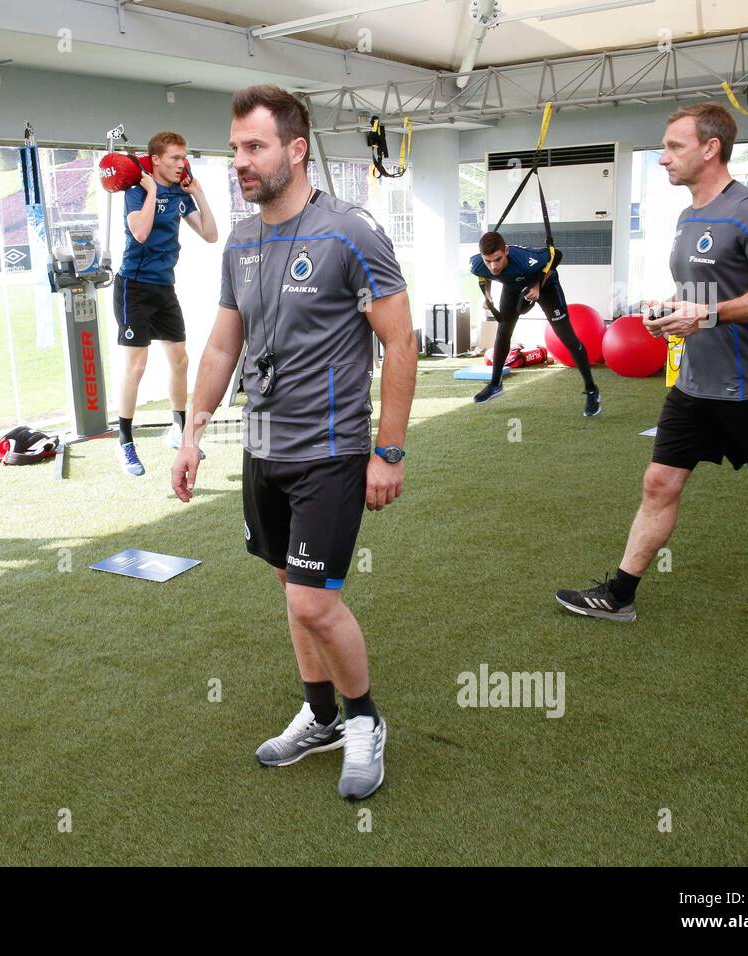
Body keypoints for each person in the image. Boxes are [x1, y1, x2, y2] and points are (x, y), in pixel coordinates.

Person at [171, 85, 416, 799]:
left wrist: (389, 450)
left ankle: (364, 720)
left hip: (330, 452)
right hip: (263, 447)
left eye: (255, 147)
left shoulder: (349, 232)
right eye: (235, 148)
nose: (239, 162)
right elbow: (224, 346)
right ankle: (320, 716)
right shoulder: (241, 241)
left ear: (296, 150)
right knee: (292, 588)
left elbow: (401, 342)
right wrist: (191, 437)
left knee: (313, 603)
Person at [556, 102, 748, 640]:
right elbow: (703, 292)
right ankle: (619, 595)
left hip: (747, 387)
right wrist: (671, 310)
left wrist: (710, 314)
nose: (663, 158)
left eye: (674, 147)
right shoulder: (688, 215)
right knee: (659, 483)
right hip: (694, 383)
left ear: (710, 148)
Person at [113, 131, 219, 476]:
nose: (181, 164)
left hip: (164, 287)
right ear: (156, 159)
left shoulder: (178, 193)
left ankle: (178, 430)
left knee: (180, 359)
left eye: (183, 157)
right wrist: (152, 192)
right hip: (134, 286)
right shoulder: (136, 191)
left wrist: (198, 193)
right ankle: (124, 442)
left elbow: (210, 234)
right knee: (137, 367)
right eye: (174, 157)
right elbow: (140, 232)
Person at [469, 232, 601, 415]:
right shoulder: (476, 264)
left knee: (568, 338)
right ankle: (495, 384)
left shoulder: (526, 259)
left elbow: (556, 255)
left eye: (498, 259)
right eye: (488, 261)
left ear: (506, 251)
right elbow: (482, 275)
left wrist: (537, 286)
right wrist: (487, 296)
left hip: (546, 286)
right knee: (503, 331)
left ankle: (592, 390)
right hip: (513, 288)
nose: (494, 266)